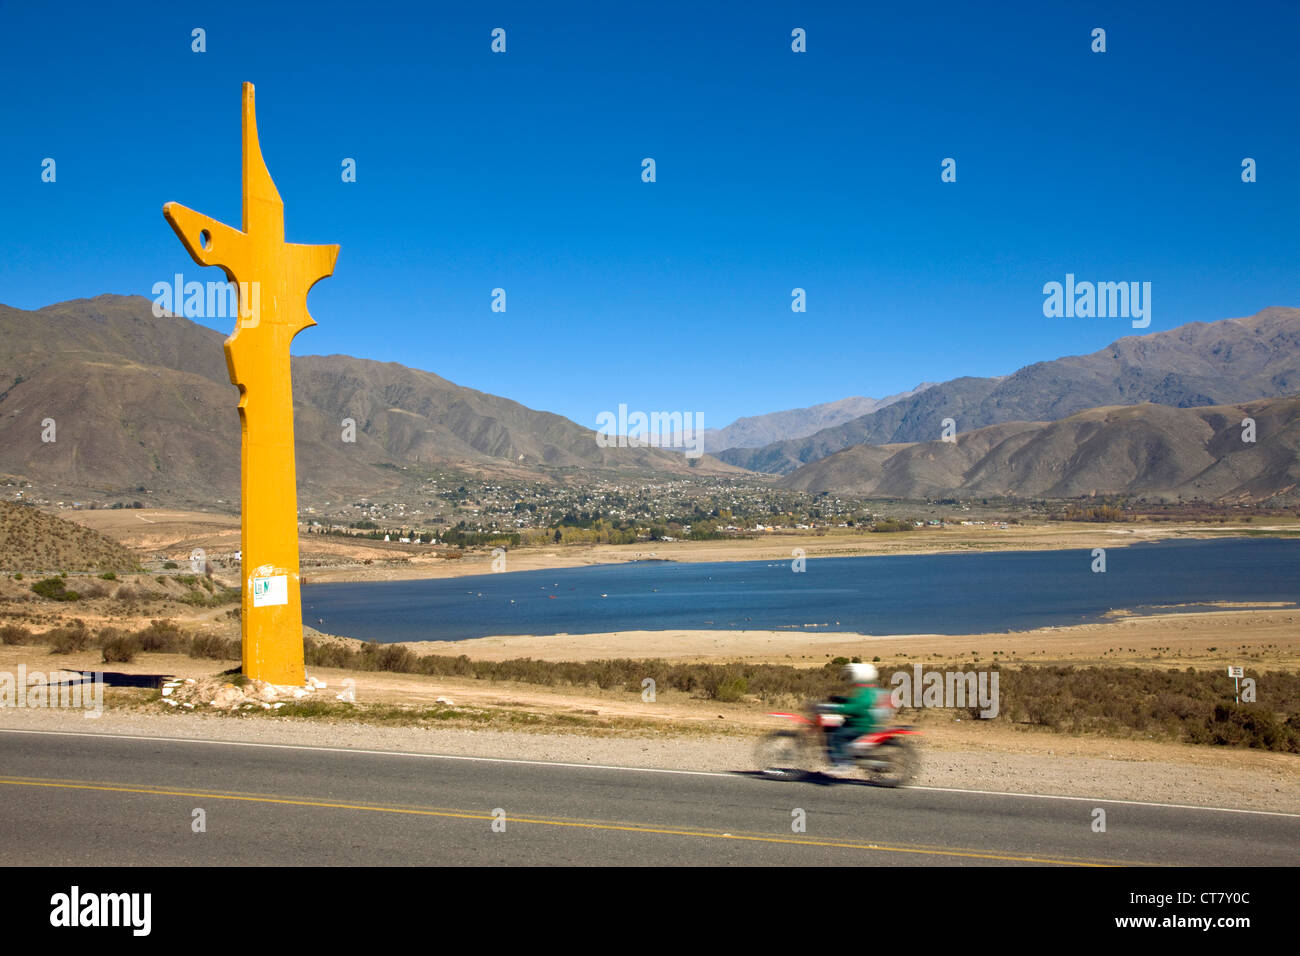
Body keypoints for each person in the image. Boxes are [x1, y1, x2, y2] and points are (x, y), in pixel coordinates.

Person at [825, 662, 887, 776]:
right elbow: (854, 702)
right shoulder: (867, 688)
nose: (849, 678)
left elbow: (856, 707)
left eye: (851, 675)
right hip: (861, 721)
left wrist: (838, 708)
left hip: (859, 724)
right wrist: (839, 699)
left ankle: (843, 764)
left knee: (837, 736)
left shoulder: (865, 691)